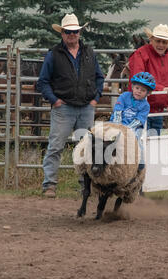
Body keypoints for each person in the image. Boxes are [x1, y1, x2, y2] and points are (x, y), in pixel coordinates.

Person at [37, 13, 104, 198]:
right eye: (68, 31)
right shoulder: (53, 54)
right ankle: (50, 184)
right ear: (62, 33)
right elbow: (43, 82)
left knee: (86, 148)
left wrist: (95, 98)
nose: (72, 34)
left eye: (75, 31)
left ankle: (86, 185)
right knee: (56, 146)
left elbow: (99, 77)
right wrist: (55, 100)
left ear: (79, 32)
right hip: (64, 107)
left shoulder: (89, 52)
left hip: (85, 107)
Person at [110, 72, 155, 170]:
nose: (138, 91)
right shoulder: (124, 96)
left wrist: (127, 130)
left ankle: (140, 164)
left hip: (133, 128)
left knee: (137, 143)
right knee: (103, 137)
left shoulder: (146, 106)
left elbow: (139, 120)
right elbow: (118, 110)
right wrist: (118, 126)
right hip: (116, 124)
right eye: (137, 88)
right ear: (132, 87)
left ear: (148, 93)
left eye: (143, 90)